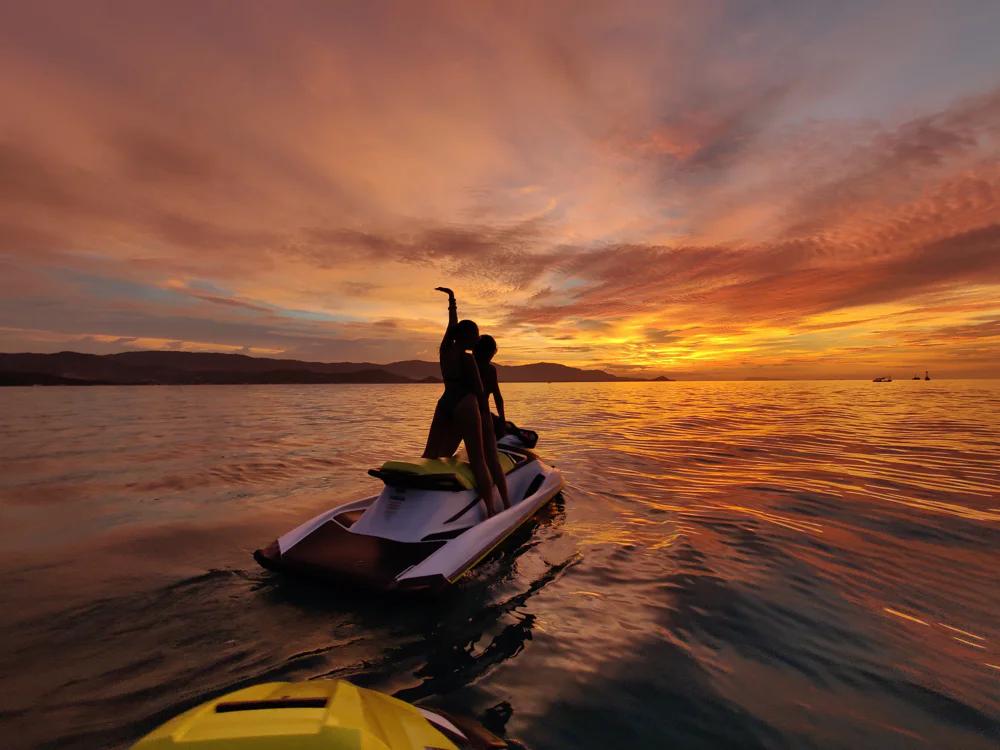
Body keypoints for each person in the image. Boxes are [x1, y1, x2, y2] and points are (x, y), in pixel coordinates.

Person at [421, 287, 501, 516]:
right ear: (467, 337)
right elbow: (478, 391)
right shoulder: (468, 360)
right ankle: (492, 510)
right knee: (478, 460)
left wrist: (452, 300)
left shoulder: (445, 350)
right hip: (465, 404)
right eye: (475, 336)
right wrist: (487, 419)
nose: (477, 340)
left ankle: (423, 498)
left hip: (444, 403)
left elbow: (451, 326)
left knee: (429, 454)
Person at [473, 334, 511, 509]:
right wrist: (501, 419)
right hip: (477, 415)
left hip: (481, 415)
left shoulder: (482, 368)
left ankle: (502, 503)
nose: (491, 356)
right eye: (491, 353)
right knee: (489, 459)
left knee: (489, 460)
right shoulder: (485, 369)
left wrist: (502, 419)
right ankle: (501, 504)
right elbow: (497, 397)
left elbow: (497, 396)